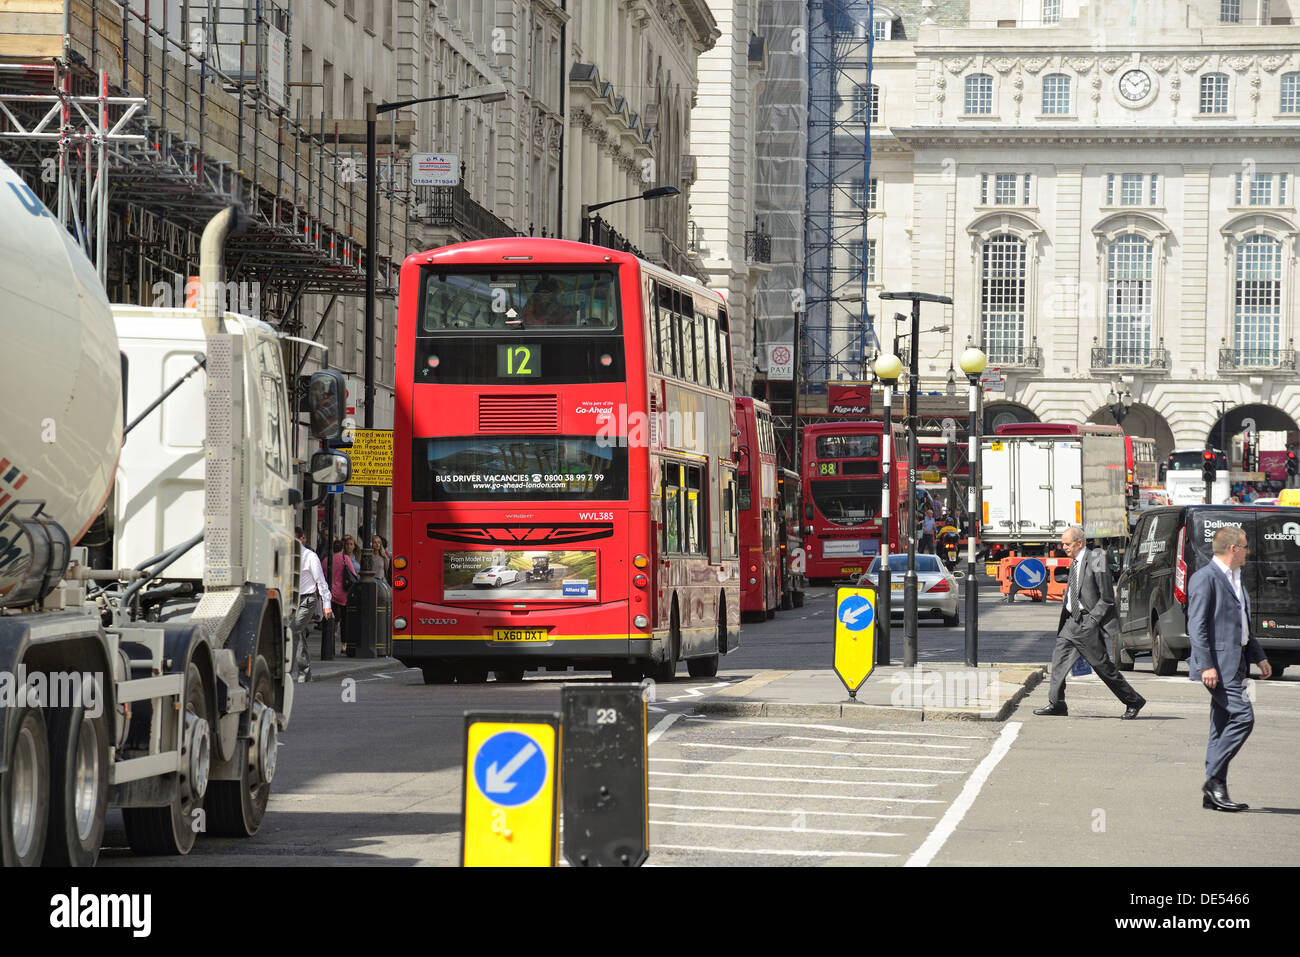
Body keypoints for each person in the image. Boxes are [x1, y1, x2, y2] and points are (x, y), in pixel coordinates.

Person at [1187, 525, 1272, 812]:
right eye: (1246, 547)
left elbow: (1241, 625)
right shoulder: (1205, 579)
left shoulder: (1236, 578)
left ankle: (1215, 793)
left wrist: (1258, 656)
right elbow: (1196, 627)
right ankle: (1212, 782)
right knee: (1244, 718)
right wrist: (1205, 666)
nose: (1249, 551)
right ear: (1233, 549)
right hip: (1218, 667)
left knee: (1220, 727)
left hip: (1238, 663)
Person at [1034, 525, 1146, 719]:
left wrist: (1093, 620)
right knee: (1059, 661)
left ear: (1079, 543)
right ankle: (1057, 703)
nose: (1064, 547)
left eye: (1067, 544)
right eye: (1063, 544)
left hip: (1088, 622)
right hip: (1070, 621)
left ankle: (1133, 700)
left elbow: (1107, 597)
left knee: (1103, 667)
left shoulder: (1096, 558)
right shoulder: (1074, 562)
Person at [293, 528, 331, 683]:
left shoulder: (310, 556)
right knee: (297, 634)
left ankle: (288, 672)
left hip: (306, 600)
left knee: (293, 629)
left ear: (303, 539)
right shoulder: (282, 555)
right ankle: (304, 672)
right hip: (289, 601)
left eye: (294, 539)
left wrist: (326, 603)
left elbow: (320, 580)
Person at [327, 538, 359, 654]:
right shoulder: (345, 559)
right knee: (345, 621)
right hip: (344, 594)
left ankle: (329, 643)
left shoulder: (326, 560)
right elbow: (353, 575)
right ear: (342, 548)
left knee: (331, 620)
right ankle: (344, 645)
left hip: (330, 594)